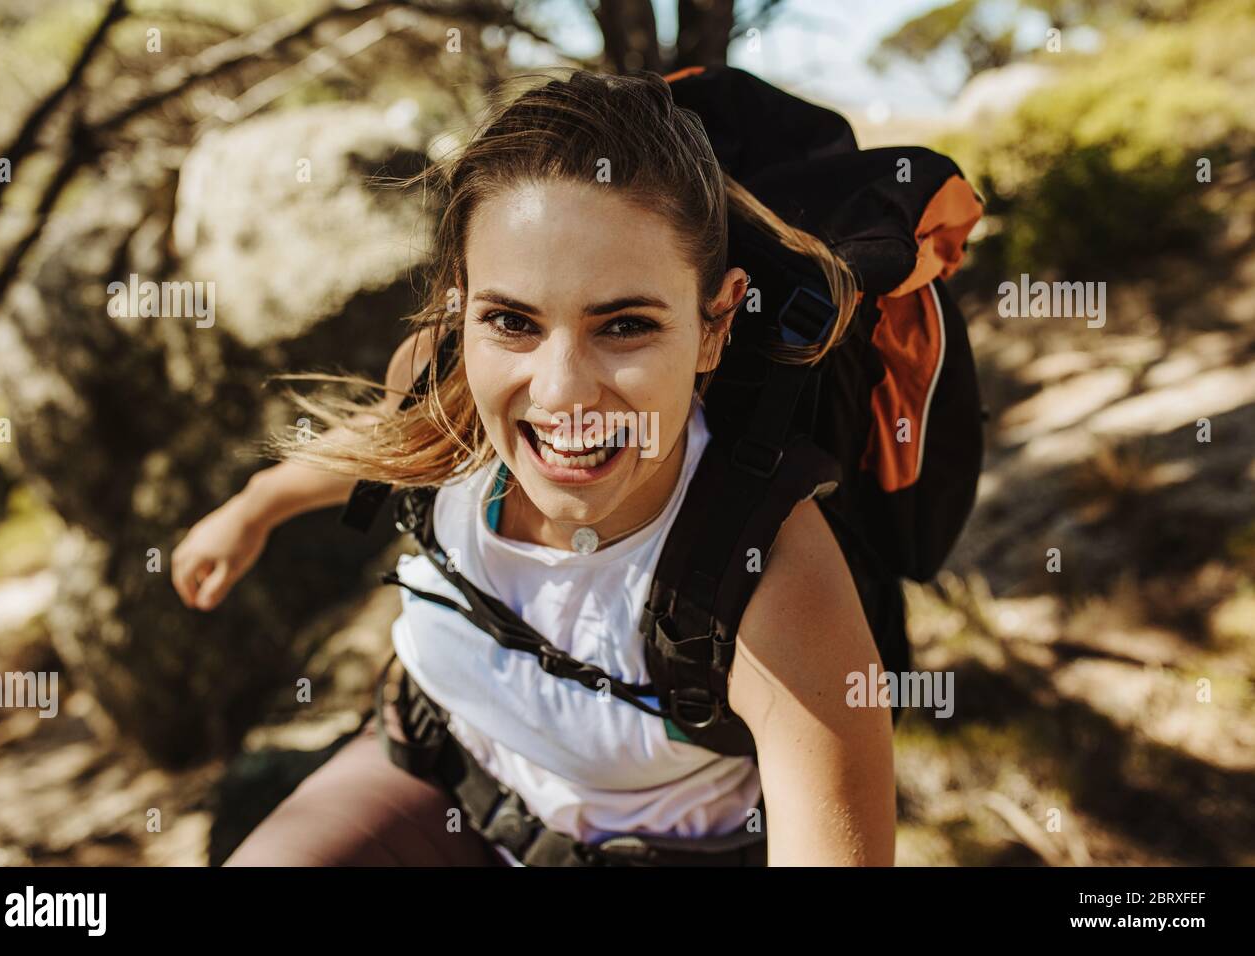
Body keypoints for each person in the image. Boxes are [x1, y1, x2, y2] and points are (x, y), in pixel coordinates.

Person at [171, 69, 895, 867]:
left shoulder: (777, 586)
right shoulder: (443, 384)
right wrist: (258, 505)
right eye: (512, 320)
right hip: (432, 773)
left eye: (623, 325)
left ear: (715, 324)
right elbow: (392, 441)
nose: (558, 394)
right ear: (463, 309)